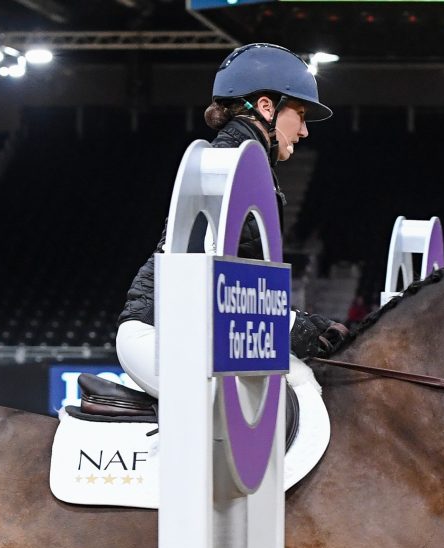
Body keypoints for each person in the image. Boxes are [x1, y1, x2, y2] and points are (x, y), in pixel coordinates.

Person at [115, 43, 344, 397]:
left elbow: (245, 279)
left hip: (193, 329)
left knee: (300, 379)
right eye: (299, 114)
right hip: (162, 333)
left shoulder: (250, 165)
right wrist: (293, 325)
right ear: (267, 106)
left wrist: (302, 322)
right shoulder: (229, 165)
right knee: (246, 401)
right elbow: (217, 281)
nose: (304, 131)